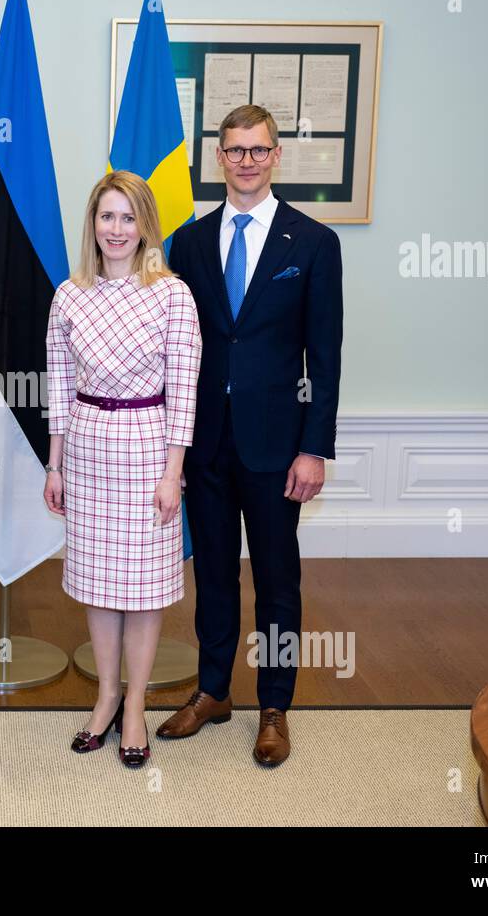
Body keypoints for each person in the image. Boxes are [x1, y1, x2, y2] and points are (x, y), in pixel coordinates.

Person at [156, 104, 343, 767]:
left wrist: (314, 447)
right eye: (233, 150)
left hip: (276, 447)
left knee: (277, 580)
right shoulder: (191, 241)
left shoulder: (314, 243)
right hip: (205, 443)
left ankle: (274, 704)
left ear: (276, 156)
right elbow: (179, 347)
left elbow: (324, 356)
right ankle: (212, 691)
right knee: (211, 575)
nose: (245, 161)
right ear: (219, 158)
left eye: (257, 150)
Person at [44, 170, 202, 769]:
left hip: (148, 450)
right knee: (97, 584)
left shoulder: (171, 294)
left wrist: (172, 472)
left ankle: (136, 702)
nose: (116, 230)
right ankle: (106, 696)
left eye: (127, 218)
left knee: (143, 589)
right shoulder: (69, 294)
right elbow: (58, 386)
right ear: (93, 224)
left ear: (145, 226)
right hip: (85, 449)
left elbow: (184, 392)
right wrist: (55, 464)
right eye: (106, 217)